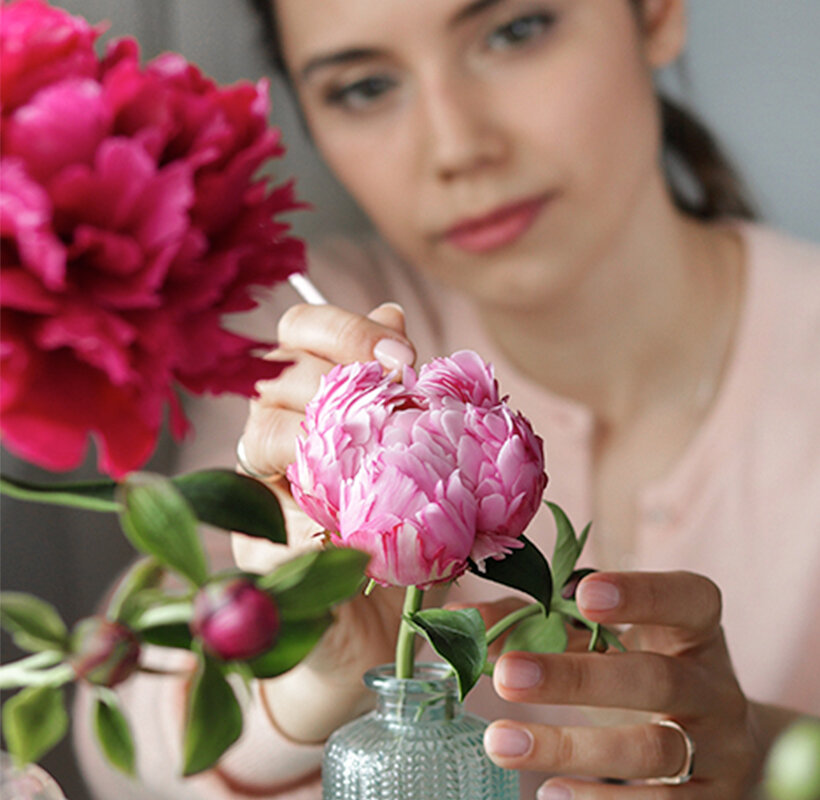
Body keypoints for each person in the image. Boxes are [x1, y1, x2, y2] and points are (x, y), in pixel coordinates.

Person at [75, 0, 820, 798]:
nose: (458, 146)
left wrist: (768, 749)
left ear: (659, 13)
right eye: (363, 87)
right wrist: (305, 673)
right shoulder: (314, 346)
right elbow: (120, 739)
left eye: (514, 32)